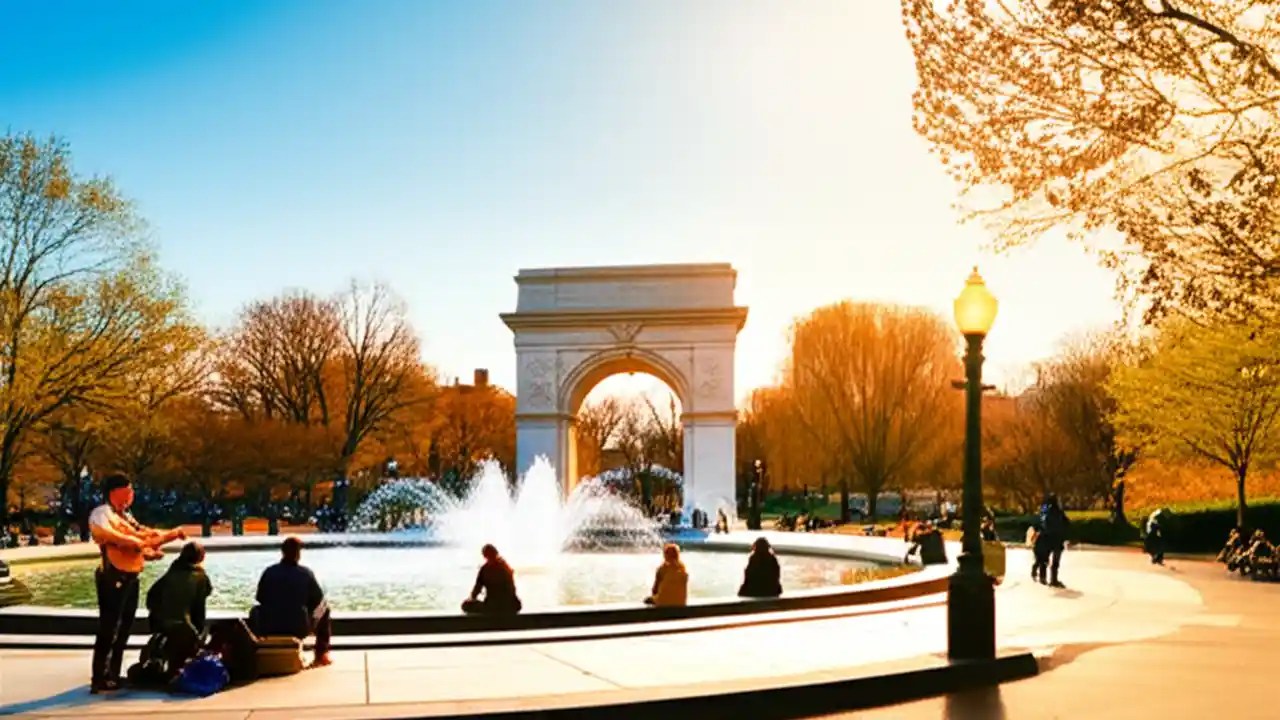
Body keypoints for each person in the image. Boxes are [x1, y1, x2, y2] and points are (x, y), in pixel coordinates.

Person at [88, 473, 185, 693]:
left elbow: (144, 534)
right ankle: (99, 676)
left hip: (130, 575)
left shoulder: (126, 516)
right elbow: (104, 532)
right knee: (109, 627)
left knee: (124, 627)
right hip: (112, 576)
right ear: (115, 492)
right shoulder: (102, 513)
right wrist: (133, 542)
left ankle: (112, 673)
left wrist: (167, 537)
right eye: (128, 491)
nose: (131, 496)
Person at [250, 537, 332, 668]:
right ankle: (321, 654)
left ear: (282, 552)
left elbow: (260, 598)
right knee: (324, 608)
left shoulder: (269, 572)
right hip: (297, 627)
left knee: (255, 609)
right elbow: (317, 601)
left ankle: (254, 649)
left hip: (268, 626)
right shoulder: (306, 574)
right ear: (298, 554)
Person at [145, 541, 213, 678]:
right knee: (199, 631)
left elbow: (151, 597)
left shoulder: (171, 573)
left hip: (161, 624)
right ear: (201, 558)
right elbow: (199, 609)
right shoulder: (200, 577)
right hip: (184, 626)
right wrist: (198, 633)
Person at [462, 544, 522, 615]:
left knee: (467, 605)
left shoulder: (488, 569)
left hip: (495, 605)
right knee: (467, 605)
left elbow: (476, 589)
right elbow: (476, 590)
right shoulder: (504, 567)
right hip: (504, 605)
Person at [1035, 494, 1069, 587]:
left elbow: (1040, 522)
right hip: (1057, 539)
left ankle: (1043, 577)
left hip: (1046, 538)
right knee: (1055, 561)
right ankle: (1053, 579)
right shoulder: (1059, 512)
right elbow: (1066, 524)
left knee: (1044, 559)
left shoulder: (1045, 511)